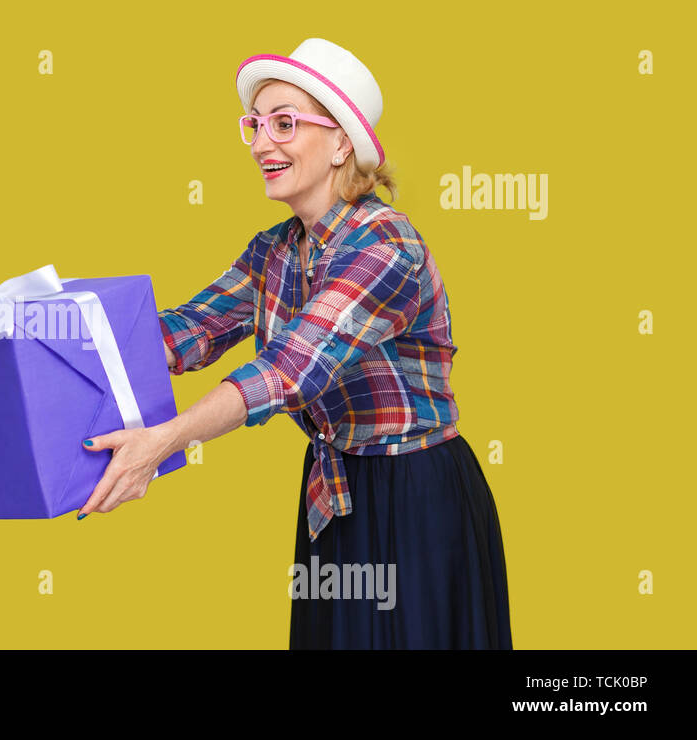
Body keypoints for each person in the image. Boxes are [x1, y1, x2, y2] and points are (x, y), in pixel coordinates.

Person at [75, 38, 513, 649]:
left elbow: (289, 371)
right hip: (332, 495)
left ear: (341, 143)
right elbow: (186, 331)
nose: (259, 144)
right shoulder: (276, 249)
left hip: (417, 499)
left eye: (284, 123)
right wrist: (44, 330)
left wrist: (163, 442)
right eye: (254, 125)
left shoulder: (385, 246)